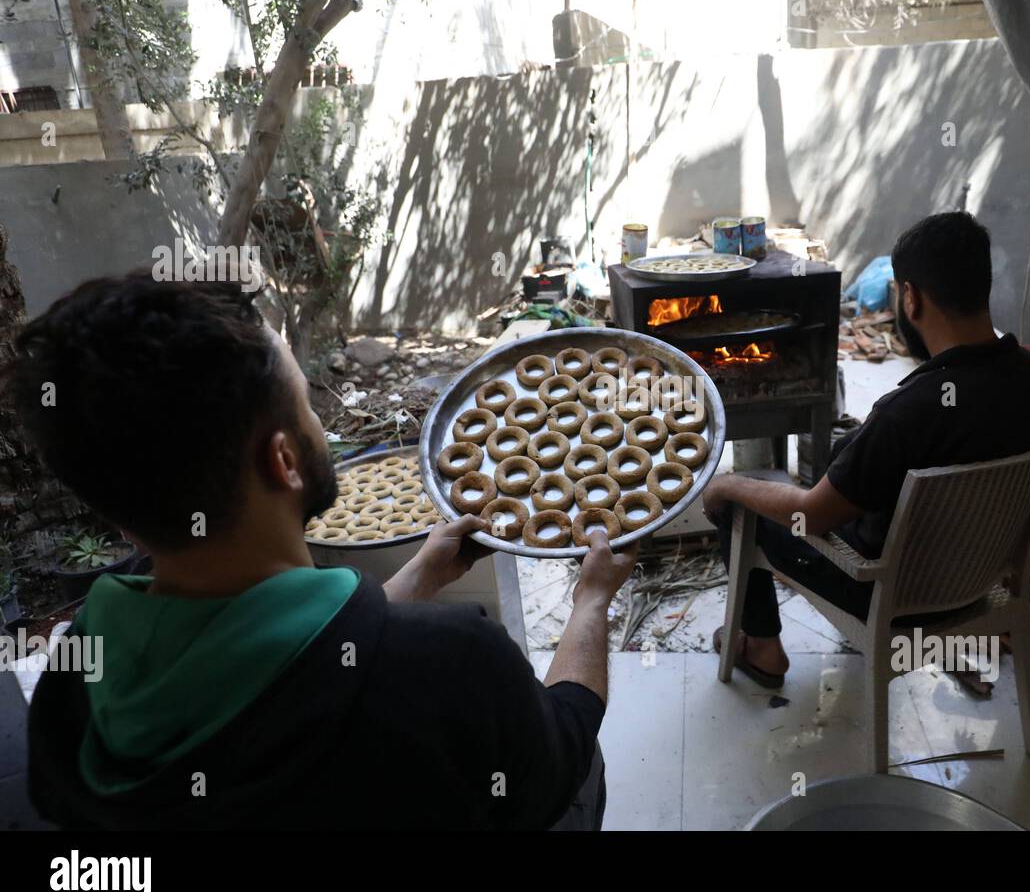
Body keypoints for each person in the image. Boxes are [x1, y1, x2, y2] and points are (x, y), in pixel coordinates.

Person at [6, 274, 636, 829]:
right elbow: (566, 741)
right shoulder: (453, 662)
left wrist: (416, 578)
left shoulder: (77, 679)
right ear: (283, 460)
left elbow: (284, 671)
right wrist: (591, 601)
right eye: (306, 404)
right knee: (578, 771)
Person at [702, 211, 1030, 688]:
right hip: (979, 585)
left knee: (742, 505)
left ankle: (763, 650)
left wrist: (730, 484)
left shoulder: (909, 412)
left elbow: (813, 517)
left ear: (911, 297)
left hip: (885, 593)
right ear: (982, 288)